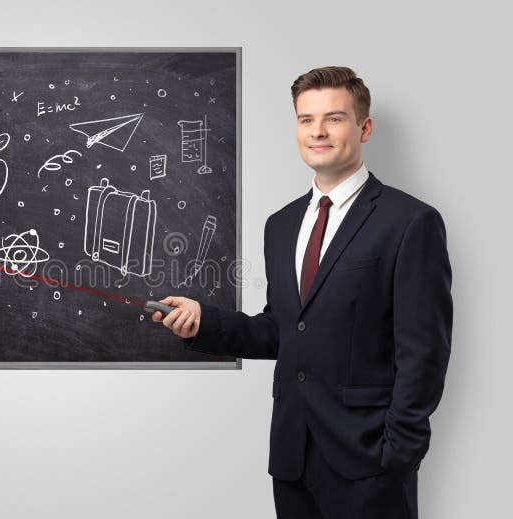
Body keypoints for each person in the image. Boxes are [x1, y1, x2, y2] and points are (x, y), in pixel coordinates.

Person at [152, 66, 452, 519]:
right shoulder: (282, 224)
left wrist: (398, 453)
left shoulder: (409, 221)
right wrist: (204, 321)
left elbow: (424, 351)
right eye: (306, 119)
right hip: (293, 457)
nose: (318, 131)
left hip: (370, 460)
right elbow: (282, 330)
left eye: (334, 118)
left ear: (364, 127)